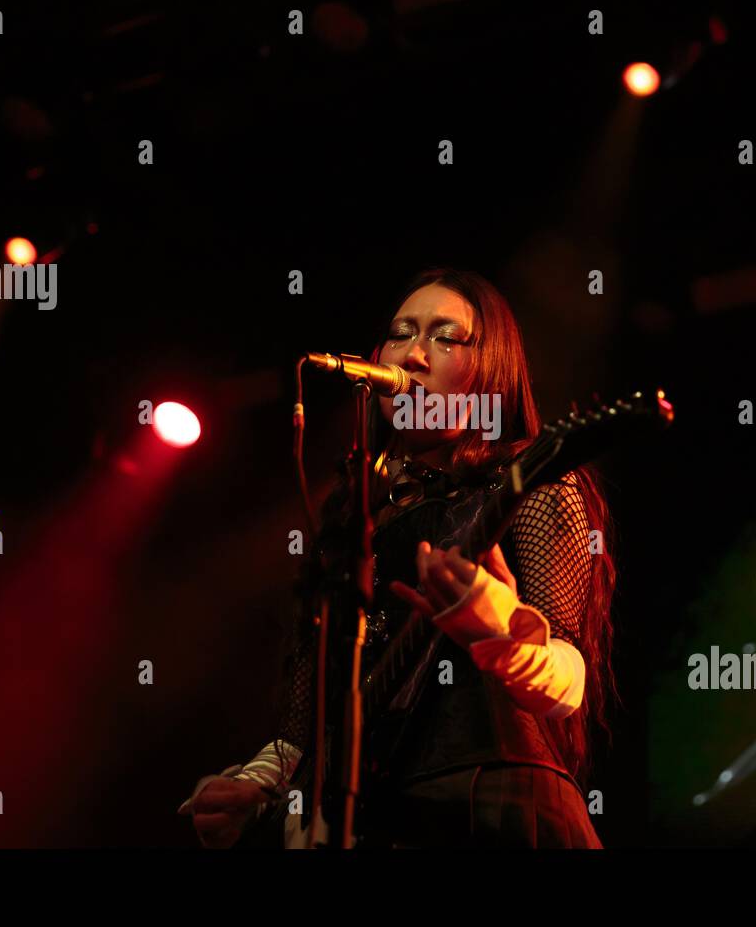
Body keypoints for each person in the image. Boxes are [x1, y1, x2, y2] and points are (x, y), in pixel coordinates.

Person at [179, 267, 618, 847]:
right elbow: (306, 721)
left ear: (492, 369)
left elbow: (568, 684)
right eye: (401, 332)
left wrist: (503, 631)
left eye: (443, 336)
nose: (413, 354)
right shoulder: (352, 521)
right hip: (377, 820)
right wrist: (257, 788)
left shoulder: (530, 484)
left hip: (487, 806)